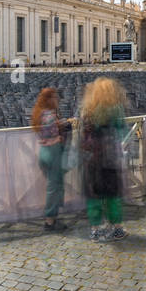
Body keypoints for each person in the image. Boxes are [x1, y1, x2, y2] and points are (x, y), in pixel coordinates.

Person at [77, 77, 132, 240]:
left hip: (90, 158)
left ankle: (96, 229)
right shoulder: (115, 109)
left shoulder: (86, 110)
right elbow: (123, 131)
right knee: (112, 195)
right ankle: (116, 227)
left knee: (93, 195)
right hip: (109, 158)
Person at [30, 87, 73, 230]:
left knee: (54, 185)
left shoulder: (38, 113)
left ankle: (53, 218)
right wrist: (60, 134)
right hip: (53, 152)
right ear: (49, 99)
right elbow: (52, 134)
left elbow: (46, 130)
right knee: (54, 187)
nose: (58, 99)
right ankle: (50, 221)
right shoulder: (50, 115)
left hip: (44, 152)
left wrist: (59, 124)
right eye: (55, 97)